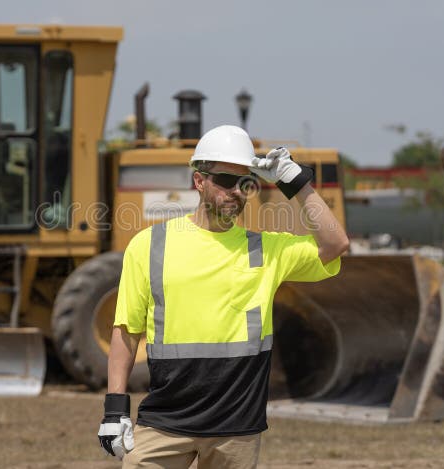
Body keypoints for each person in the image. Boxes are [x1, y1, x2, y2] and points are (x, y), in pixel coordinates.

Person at [98, 125, 349, 468]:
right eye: (225, 182)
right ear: (199, 181)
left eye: (245, 184)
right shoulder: (150, 245)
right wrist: (114, 410)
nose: (236, 192)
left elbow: (335, 246)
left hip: (236, 430)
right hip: (164, 423)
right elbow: (126, 330)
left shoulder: (266, 250)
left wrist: (297, 182)